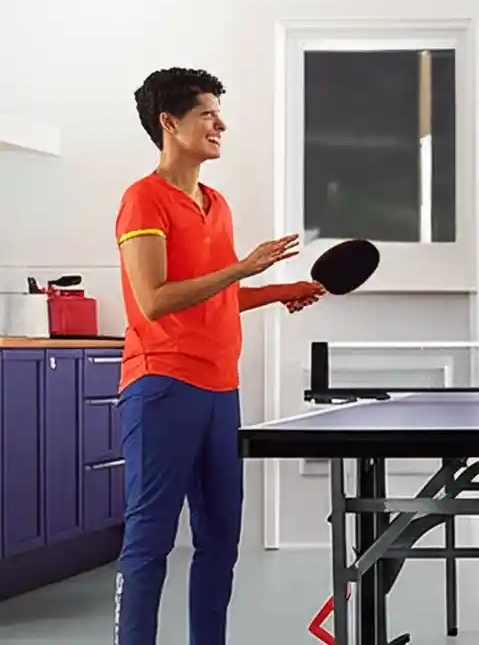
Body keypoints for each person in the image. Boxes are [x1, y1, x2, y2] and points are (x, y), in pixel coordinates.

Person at [113, 67, 325, 645]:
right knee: (151, 540)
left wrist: (281, 290)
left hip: (218, 391)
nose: (220, 124)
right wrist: (245, 267)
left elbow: (218, 293)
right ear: (169, 123)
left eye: (217, 112)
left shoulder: (216, 203)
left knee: (221, 542)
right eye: (207, 113)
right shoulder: (143, 200)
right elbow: (155, 300)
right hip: (161, 387)